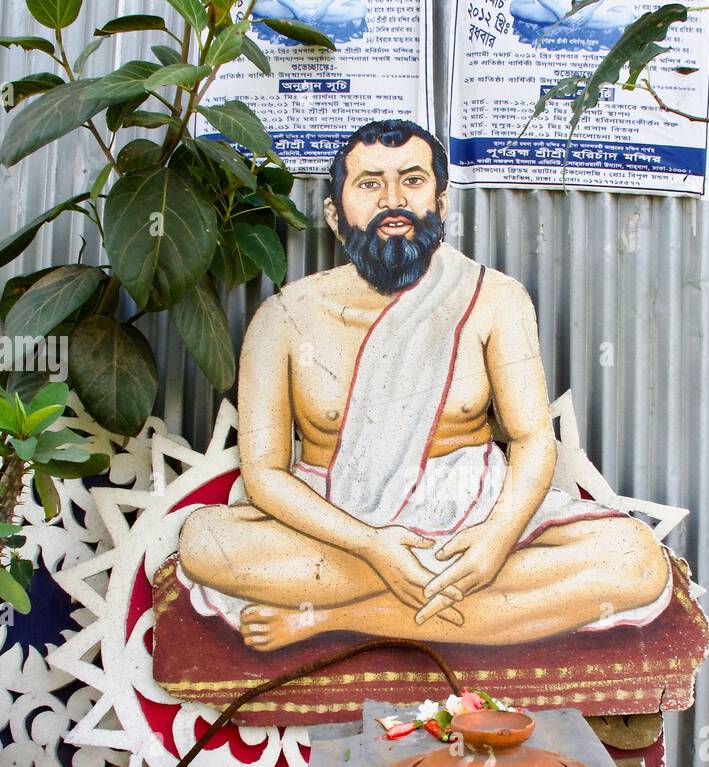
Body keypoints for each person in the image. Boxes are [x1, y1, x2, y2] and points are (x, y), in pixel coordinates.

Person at [177, 120, 673, 651]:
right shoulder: (283, 317)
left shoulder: (494, 299)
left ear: (440, 202)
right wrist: (372, 546)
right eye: (369, 184)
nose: (394, 200)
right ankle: (413, 585)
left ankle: (338, 621)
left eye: (412, 181)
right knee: (205, 544)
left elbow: (531, 438)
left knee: (634, 558)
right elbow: (265, 472)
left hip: (472, 518)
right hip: (338, 529)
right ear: (333, 212)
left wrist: (495, 540)